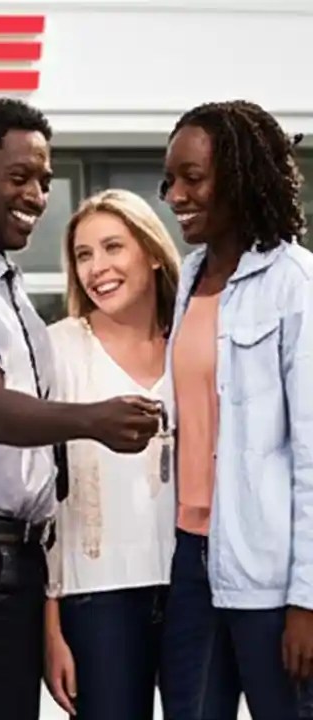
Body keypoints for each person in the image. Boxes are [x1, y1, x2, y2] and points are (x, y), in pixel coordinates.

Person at [0, 97, 163, 720]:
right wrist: (94, 420)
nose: (38, 195)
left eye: (44, 180)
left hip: (18, 559)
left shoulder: (2, 284)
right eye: (19, 178)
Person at [158, 99, 313, 719]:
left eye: (192, 178)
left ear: (243, 177)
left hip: (273, 578)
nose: (175, 195)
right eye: (171, 179)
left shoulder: (294, 283)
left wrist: (306, 598)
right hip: (192, 561)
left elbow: (310, 452)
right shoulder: (191, 278)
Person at [41, 188, 182, 719]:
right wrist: (51, 627)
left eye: (112, 247)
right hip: (95, 599)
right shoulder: (57, 350)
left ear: (150, 250)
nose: (97, 267)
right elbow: (41, 498)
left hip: (194, 588)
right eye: (83, 255)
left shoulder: (193, 343)